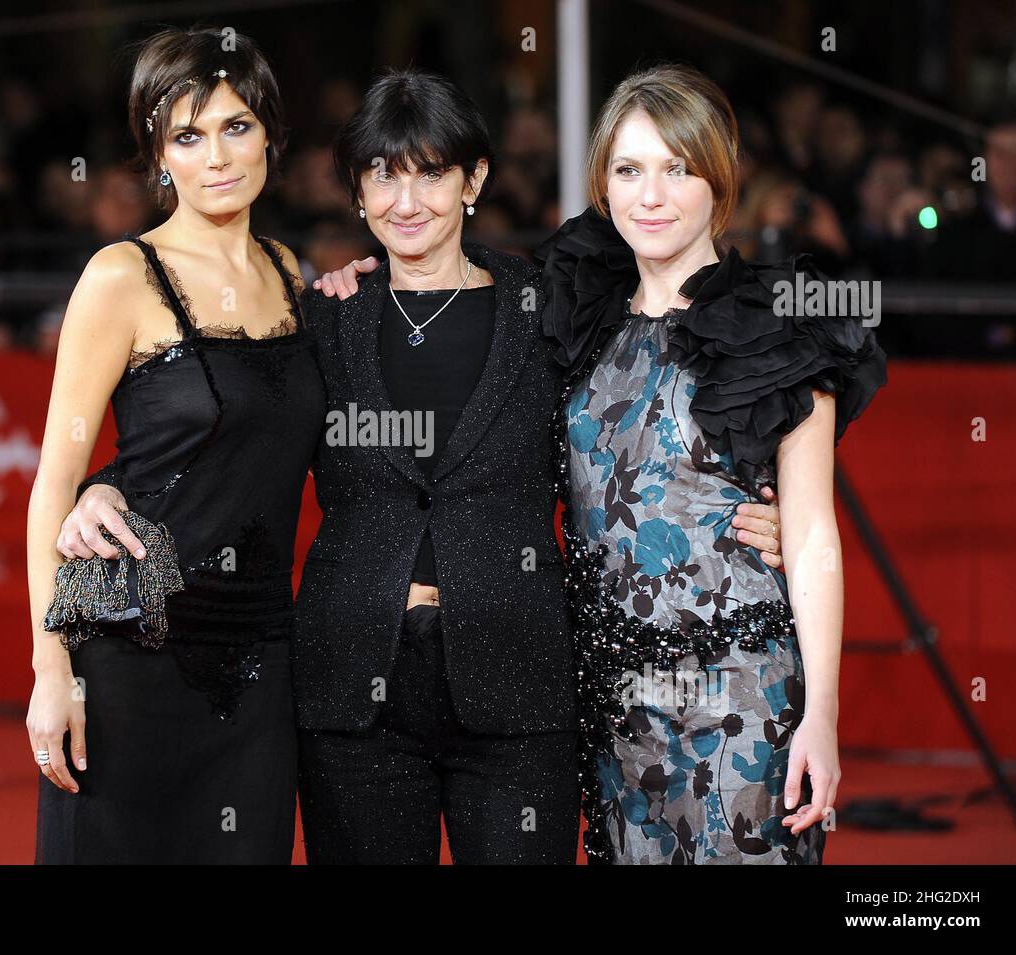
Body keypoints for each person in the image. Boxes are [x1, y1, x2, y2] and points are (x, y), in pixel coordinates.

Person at [295, 69, 786, 863]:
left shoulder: (549, 307)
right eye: (384, 173)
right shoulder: (326, 318)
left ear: (474, 179)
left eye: (431, 171)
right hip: (355, 686)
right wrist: (110, 484)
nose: (406, 199)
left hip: (519, 689)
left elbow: (659, 401)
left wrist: (771, 504)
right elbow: (242, 441)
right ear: (356, 189)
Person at [540, 64, 887, 863]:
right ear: (603, 182)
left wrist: (823, 714)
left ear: (718, 180)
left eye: (677, 168)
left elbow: (809, 537)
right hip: (612, 697)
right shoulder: (575, 319)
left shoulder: (777, 330)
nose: (651, 195)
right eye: (629, 169)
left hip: (742, 691)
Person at [26, 26, 323, 864]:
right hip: (129, 650)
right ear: (160, 156)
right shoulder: (121, 276)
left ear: (270, 132)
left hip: (260, 661)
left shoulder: (291, 272)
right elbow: (53, 484)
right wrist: (53, 671)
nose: (217, 155)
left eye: (236, 126)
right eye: (187, 136)